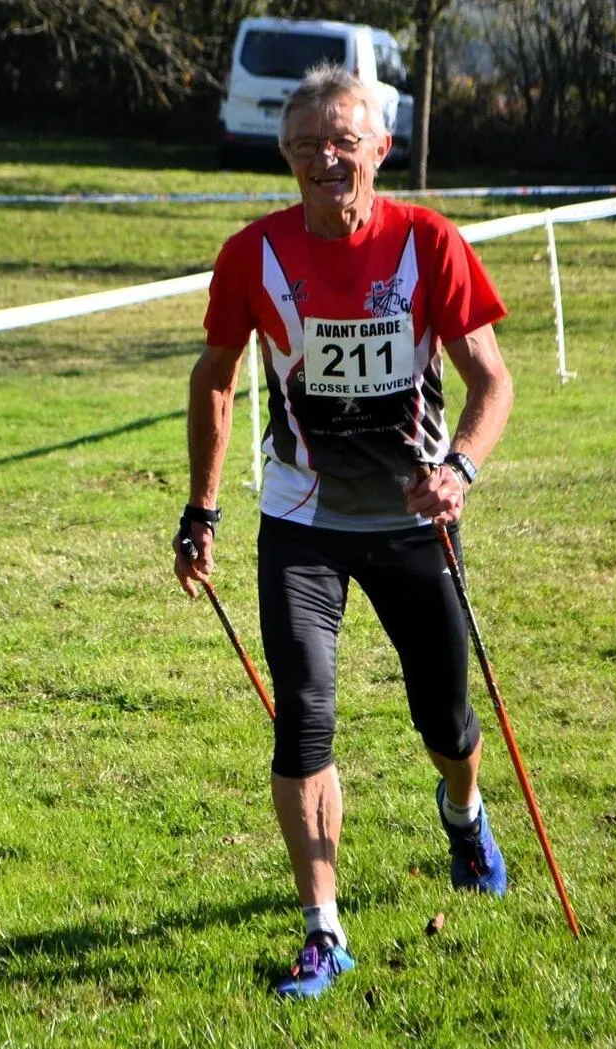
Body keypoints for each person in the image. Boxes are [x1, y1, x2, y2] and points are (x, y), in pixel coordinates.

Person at [173, 63, 513, 999]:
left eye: (343, 141)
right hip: (302, 520)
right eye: (305, 146)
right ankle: (323, 928)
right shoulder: (252, 255)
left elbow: (491, 380)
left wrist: (459, 469)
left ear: (380, 149)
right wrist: (202, 508)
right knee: (305, 713)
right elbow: (214, 378)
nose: (325, 159)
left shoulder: (429, 243)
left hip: (412, 518)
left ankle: (464, 812)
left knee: (446, 718)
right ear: (286, 157)